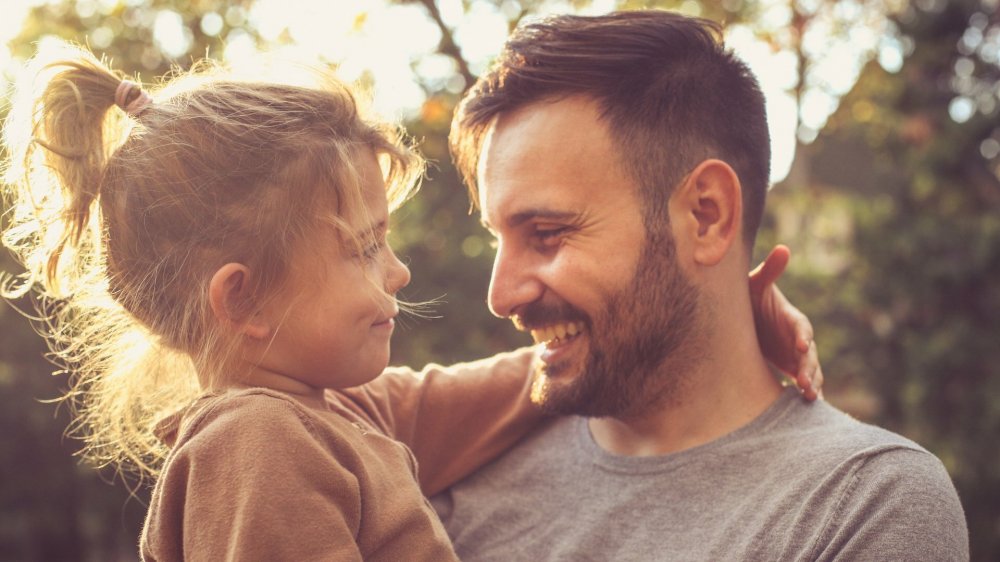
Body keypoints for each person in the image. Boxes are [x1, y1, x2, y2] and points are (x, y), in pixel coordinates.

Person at [1, 42, 818, 560]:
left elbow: (495, 393)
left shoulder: (336, 414)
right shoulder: (258, 447)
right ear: (243, 301)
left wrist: (713, 321)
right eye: (361, 248)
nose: (395, 272)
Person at [431, 10, 969, 561]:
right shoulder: (449, 472)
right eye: (499, 238)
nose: (501, 296)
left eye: (546, 234)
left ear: (706, 216)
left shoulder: (859, 505)